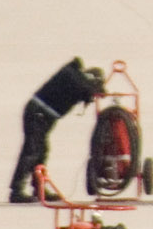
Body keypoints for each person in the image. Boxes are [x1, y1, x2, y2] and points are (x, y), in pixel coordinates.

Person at [10, 55, 105, 202]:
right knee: (32, 150)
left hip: (42, 115)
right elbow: (84, 89)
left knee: (41, 150)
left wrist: (91, 92)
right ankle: (16, 191)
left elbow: (84, 90)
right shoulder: (74, 77)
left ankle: (39, 187)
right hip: (38, 114)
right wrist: (93, 91)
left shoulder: (73, 75)